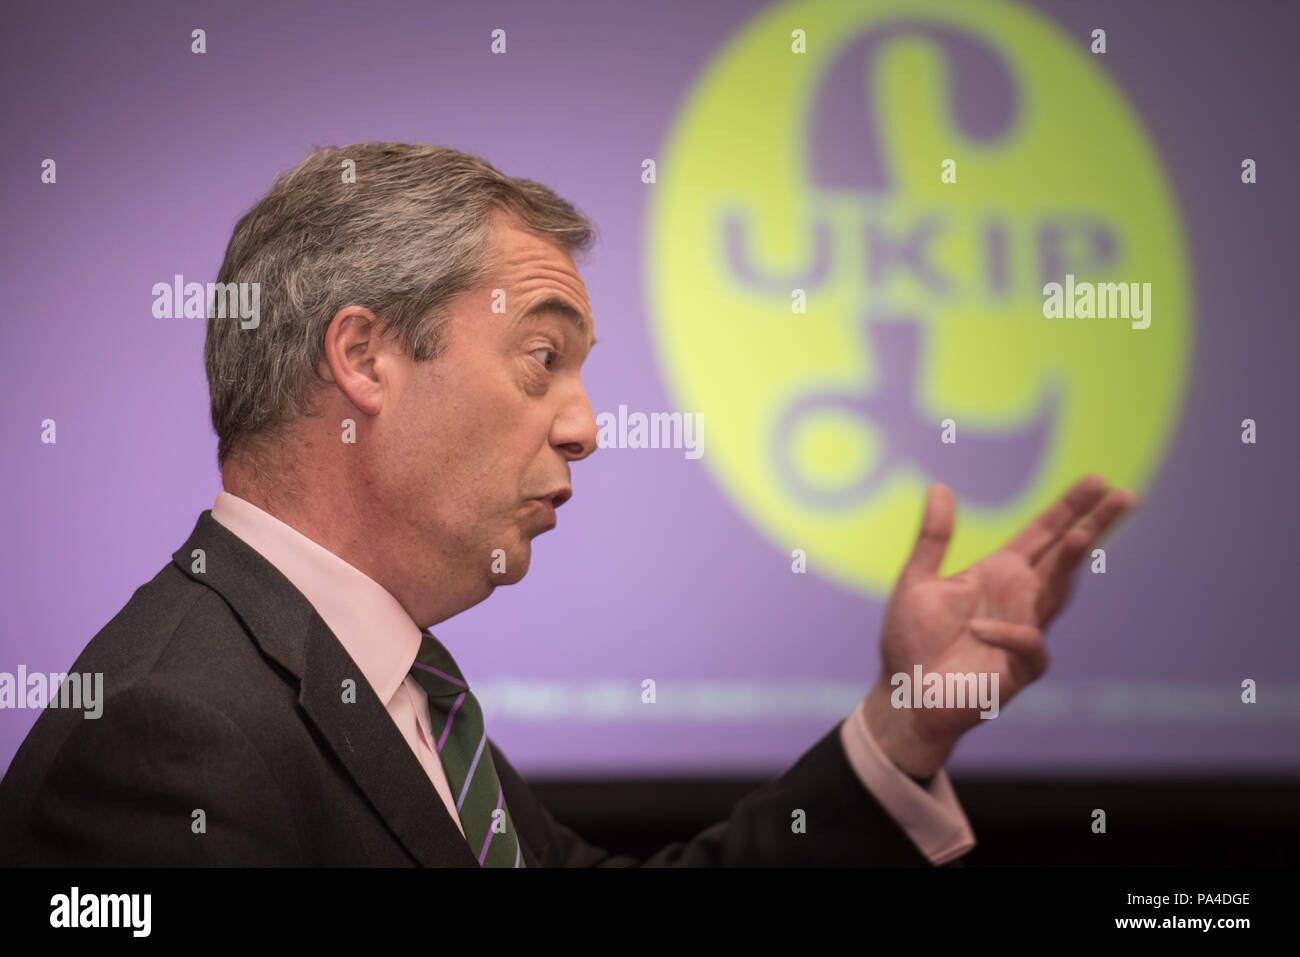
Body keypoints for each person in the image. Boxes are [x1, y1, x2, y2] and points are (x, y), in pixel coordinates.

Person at [0, 143, 1136, 866]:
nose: (586, 425)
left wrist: (906, 728)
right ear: (364, 359)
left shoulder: (402, 693)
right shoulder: (164, 740)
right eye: (541, 358)